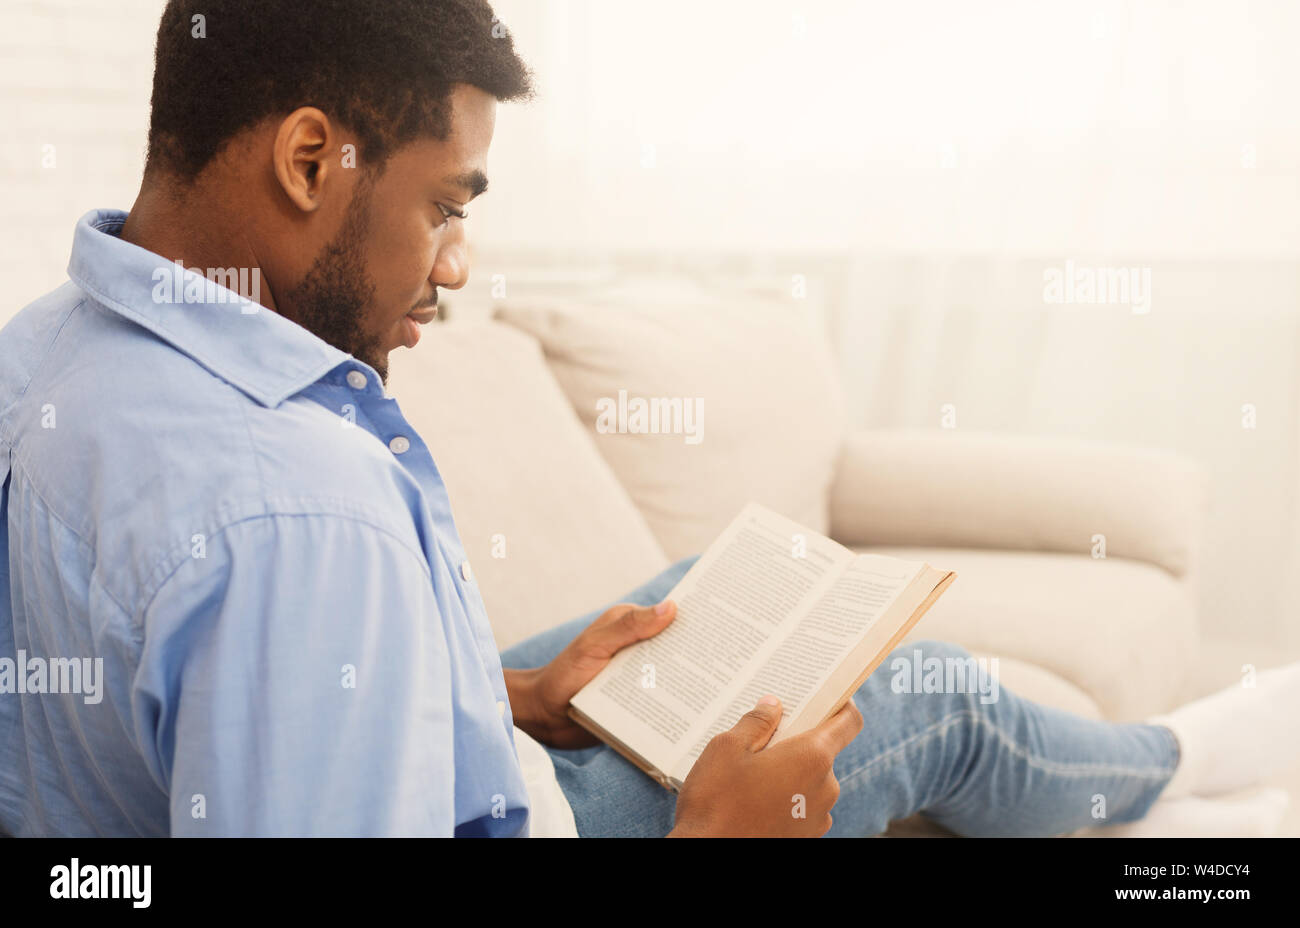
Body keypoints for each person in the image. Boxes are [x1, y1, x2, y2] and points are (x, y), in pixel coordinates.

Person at [0, 0, 1295, 838]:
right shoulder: (299, 510)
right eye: (446, 206)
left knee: (692, 600)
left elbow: (161, 699)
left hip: (481, 757)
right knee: (919, 692)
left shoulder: (42, 357)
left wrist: (504, 695)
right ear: (306, 160)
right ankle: (1169, 764)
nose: (452, 268)